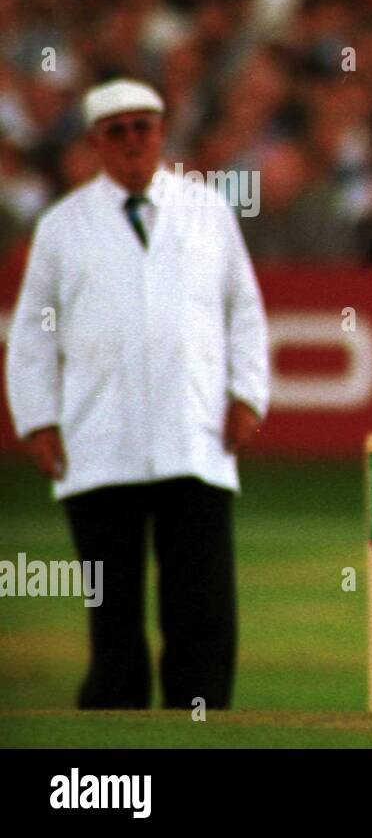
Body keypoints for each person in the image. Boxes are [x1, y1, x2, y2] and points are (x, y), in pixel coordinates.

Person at [4, 77, 269, 710]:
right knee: (111, 605)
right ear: (96, 141)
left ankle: (199, 717)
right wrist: (39, 419)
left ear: (161, 132)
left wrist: (247, 393)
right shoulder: (62, 227)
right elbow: (33, 333)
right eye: (116, 132)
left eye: (142, 128)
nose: (131, 142)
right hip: (99, 438)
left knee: (201, 603)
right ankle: (111, 724)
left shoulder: (209, 210)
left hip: (193, 432)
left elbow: (245, 312)